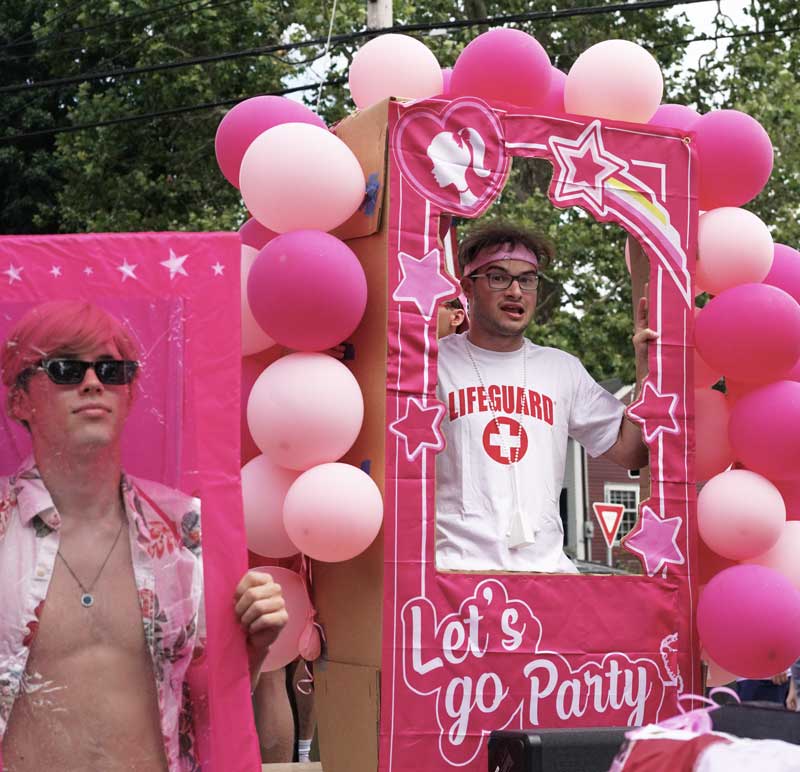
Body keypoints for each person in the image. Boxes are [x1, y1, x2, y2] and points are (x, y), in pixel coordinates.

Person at [0, 301, 287, 772]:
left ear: (131, 394)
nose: (93, 383)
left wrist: (251, 649)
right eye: (65, 368)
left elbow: (203, 704)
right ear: (19, 400)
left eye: (112, 370)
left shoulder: (185, 526)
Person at [435, 223, 654, 573]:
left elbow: (632, 451)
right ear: (468, 287)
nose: (515, 291)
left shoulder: (561, 368)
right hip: (456, 571)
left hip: (548, 574)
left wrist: (646, 368)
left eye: (527, 279)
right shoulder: (431, 363)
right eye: (498, 277)